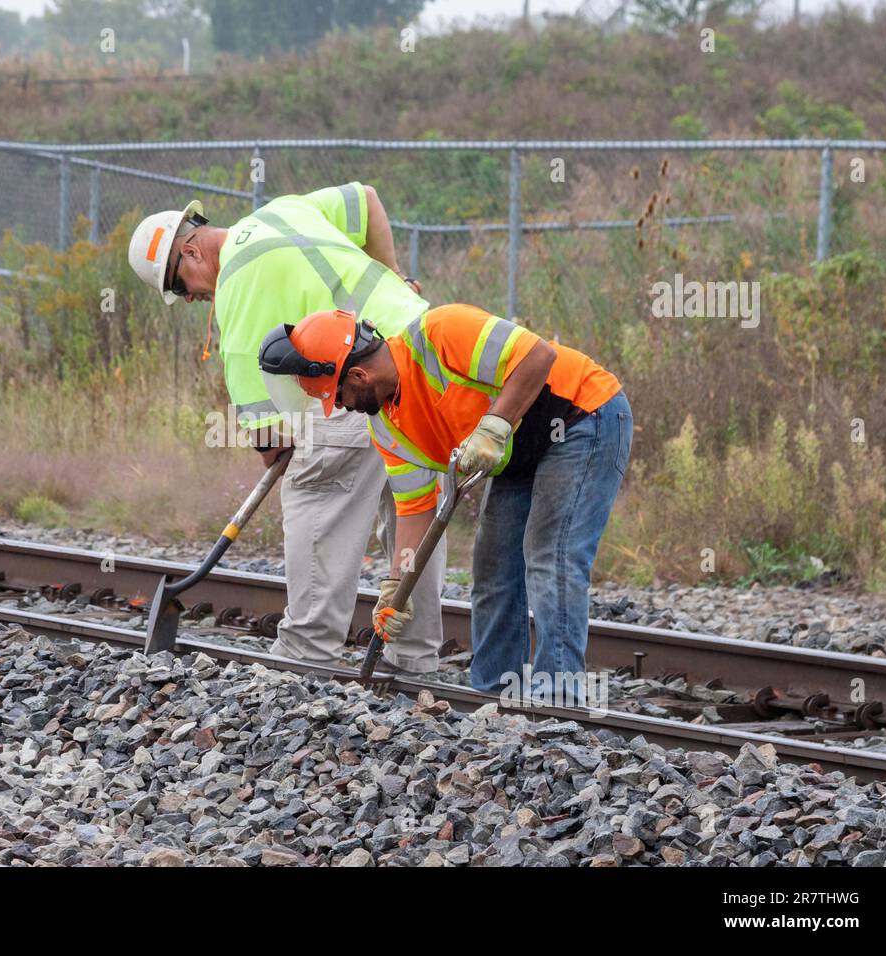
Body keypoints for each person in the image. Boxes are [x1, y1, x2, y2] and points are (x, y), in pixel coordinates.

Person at [127, 184, 447, 674]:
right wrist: (397, 277)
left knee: (318, 492)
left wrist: (277, 448)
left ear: (190, 250)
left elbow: (269, 432)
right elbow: (367, 199)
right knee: (414, 510)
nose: (188, 297)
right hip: (423, 364)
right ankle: (414, 657)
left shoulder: (237, 284)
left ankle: (307, 653)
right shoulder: (286, 212)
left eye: (178, 284)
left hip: (351, 386)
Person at [257, 304, 632, 704]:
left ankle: (559, 700)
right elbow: (415, 510)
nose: (344, 407)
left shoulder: (439, 332)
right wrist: (397, 585)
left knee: (549, 556)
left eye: (341, 397)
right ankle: (495, 698)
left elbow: (539, 355)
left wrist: (496, 424)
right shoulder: (386, 425)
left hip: (582, 416)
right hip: (518, 449)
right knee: (493, 570)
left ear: (359, 375)